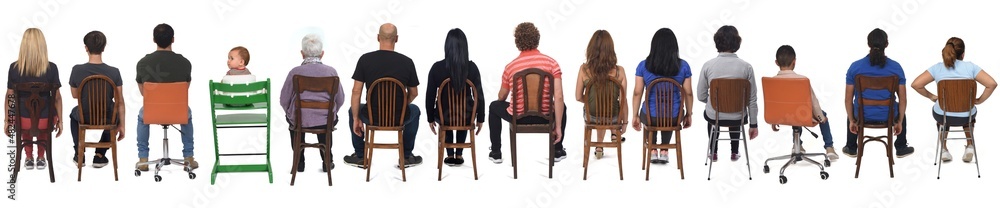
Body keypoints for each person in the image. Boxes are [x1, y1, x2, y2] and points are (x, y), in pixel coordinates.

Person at [344, 23, 423, 168]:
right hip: (399, 117)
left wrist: (356, 118)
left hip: (371, 116)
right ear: (396, 39)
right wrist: (403, 105)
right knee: (415, 110)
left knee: (352, 111)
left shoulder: (365, 60)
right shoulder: (407, 62)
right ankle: (405, 156)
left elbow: (356, 92)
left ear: (378, 38)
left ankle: (361, 155)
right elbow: (414, 93)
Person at [488, 22, 568, 164]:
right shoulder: (552, 63)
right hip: (545, 116)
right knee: (562, 105)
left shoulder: (511, 67)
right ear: (537, 38)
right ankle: (557, 150)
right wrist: (558, 127)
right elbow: (559, 96)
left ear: (517, 42)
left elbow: (502, 97)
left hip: (518, 117)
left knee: (494, 106)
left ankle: (496, 152)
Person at [911, 37, 996, 162]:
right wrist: (979, 100)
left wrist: (932, 96)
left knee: (942, 115)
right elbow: (992, 84)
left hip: (943, 115)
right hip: (966, 115)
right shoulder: (971, 67)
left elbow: (916, 84)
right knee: (969, 114)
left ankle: (944, 150)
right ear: (963, 54)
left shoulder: (937, 68)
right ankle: (970, 146)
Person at [842, 28, 915, 158]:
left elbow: (848, 100)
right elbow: (903, 100)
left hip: (861, 116)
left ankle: (851, 147)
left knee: (853, 108)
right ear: (886, 44)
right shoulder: (896, 68)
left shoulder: (855, 67)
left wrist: (852, 121)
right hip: (888, 116)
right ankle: (901, 147)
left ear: (868, 44)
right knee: (900, 108)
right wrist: (899, 122)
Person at [135, 23, 198, 171]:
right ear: (173, 39)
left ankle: (143, 159)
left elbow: (144, 92)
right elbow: (184, 90)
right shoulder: (185, 63)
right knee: (187, 114)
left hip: (153, 112)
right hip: (178, 111)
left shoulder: (143, 63)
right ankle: (188, 157)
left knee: (141, 116)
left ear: (154, 39)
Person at [279, 34, 345, 172]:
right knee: (325, 123)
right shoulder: (331, 72)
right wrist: (331, 112)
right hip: (324, 120)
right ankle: (327, 160)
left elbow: (284, 99)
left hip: (299, 120)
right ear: (322, 54)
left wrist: (291, 113)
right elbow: (340, 99)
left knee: (294, 122)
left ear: (302, 54)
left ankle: (299, 162)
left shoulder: (295, 72)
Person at [630, 28, 693, 164]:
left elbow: (637, 93)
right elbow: (688, 92)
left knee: (649, 113)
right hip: (674, 118)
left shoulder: (643, 66)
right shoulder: (683, 66)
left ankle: (652, 149)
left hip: (650, 117)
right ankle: (664, 150)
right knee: (669, 112)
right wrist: (688, 114)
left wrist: (635, 115)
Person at [697, 25, 759, 162]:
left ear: (717, 42)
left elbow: (701, 96)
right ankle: (735, 152)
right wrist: (753, 125)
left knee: (712, 113)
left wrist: (715, 101)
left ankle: (713, 152)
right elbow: (752, 99)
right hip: (738, 117)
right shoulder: (747, 67)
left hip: (715, 115)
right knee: (735, 107)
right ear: (737, 42)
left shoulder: (708, 65)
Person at [4, 28, 63, 171]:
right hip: (45, 121)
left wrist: (7, 120)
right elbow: (57, 99)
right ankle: (41, 157)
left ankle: (29, 157)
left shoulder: (14, 68)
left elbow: (9, 98)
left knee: (25, 115)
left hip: (21, 120)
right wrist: (60, 121)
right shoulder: (52, 68)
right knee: (45, 113)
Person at [425, 28, 485, 167]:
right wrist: (480, 118)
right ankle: (459, 155)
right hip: (466, 116)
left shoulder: (437, 67)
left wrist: (430, 118)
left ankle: (450, 155)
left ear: (447, 46)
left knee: (444, 116)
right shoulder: (472, 67)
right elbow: (479, 96)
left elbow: (430, 95)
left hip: (444, 116)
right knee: (464, 114)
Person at [769, 45, 839, 160]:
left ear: (776, 62)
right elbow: (814, 103)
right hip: (800, 115)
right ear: (794, 61)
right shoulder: (801, 80)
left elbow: (772, 102)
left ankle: (798, 145)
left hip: (781, 116)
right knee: (819, 113)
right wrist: (821, 117)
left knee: (794, 112)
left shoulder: (771, 81)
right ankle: (829, 147)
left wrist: (774, 119)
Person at [69, 31, 127, 168]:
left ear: (86, 48)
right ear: (104, 47)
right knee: (115, 110)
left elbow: (75, 95)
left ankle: (79, 153)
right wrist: (122, 125)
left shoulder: (77, 70)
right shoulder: (114, 72)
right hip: (106, 117)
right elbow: (120, 101)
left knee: (73, 114)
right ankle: (100, 155)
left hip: (84, 117)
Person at [574, 30, 627, 160]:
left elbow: (578, 97)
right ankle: (613, 133)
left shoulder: (584, 69)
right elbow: (623, 102)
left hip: (592, 117)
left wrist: (591, 100)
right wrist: (624, 123)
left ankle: (598, 147)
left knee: (598, 109)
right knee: (608, 108)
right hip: (613, 118)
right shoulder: (620, 71)